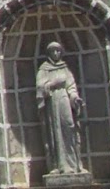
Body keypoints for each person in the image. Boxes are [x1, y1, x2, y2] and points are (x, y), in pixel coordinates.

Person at [35, 41, 85, 175]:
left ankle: (74, 165)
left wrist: (75, 98)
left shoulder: (65, 68)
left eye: (58, 51)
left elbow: (71, 86)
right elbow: (40, 87)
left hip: (65, 100)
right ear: (49, 53)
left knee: (69, 127)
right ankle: (59, 165)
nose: (56, 53)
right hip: (52, 102)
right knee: (55, 132)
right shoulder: (44, 69)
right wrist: (53, 83)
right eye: (53, 51)